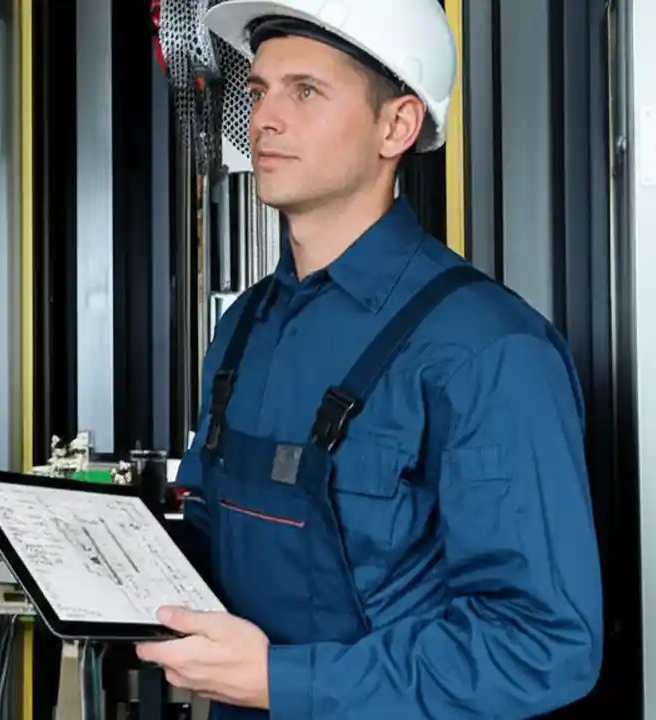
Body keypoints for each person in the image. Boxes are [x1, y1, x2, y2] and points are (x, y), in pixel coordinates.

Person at [136, 0, 604, 717]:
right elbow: (214, 538)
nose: (266, 119)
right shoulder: (244, 329)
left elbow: (541, 643)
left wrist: (280, 681)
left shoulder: (488, 352)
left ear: (397, 125)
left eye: (307, 91)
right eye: (259, 91)